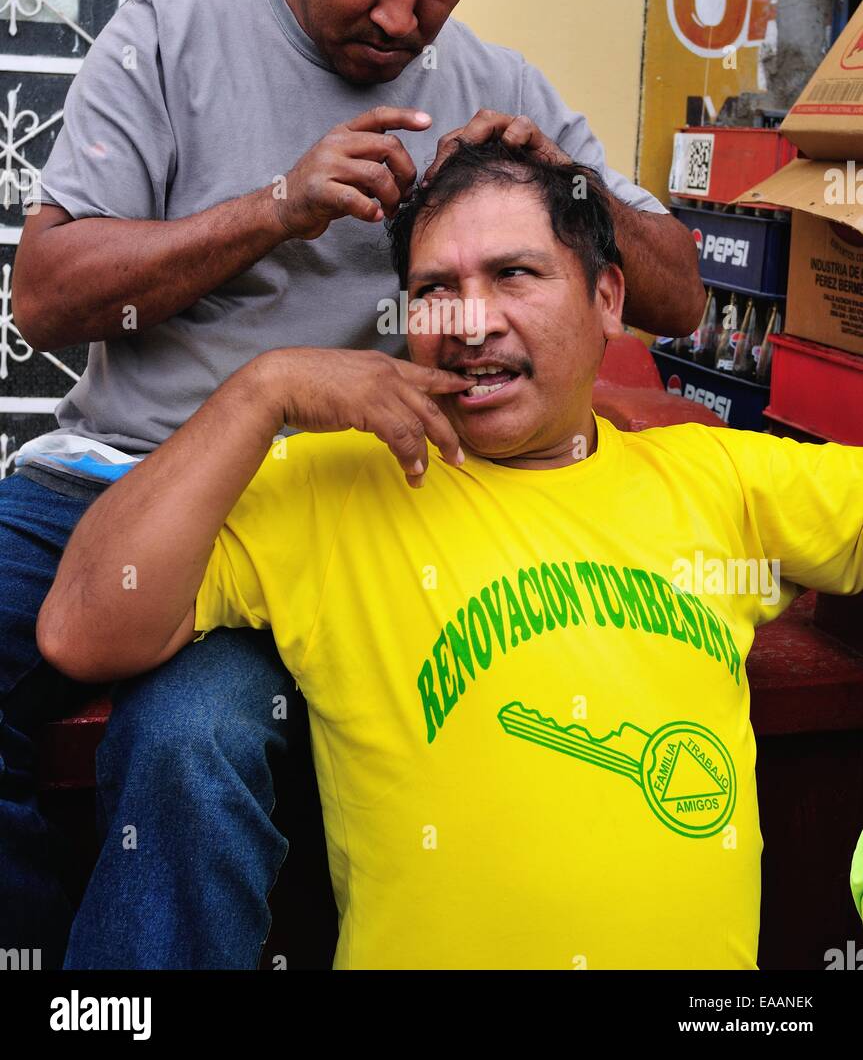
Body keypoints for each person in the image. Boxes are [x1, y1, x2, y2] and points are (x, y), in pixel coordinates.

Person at [2, 0, 703, 970]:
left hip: (333, 518)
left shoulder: (497, 85)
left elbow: (679, 297)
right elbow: (47, 300)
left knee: (196, 742)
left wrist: (565, 182)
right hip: (104, 482)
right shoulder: (170, 35)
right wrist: (273, 207)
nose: (397, 17)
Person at [37, 138, 863, 970]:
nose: (470, 321)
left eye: (514, 275)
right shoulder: (338, 486)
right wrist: (263, 389)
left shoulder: (717, 478)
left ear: (607, 298)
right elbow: (82, 626)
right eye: (434, 290)